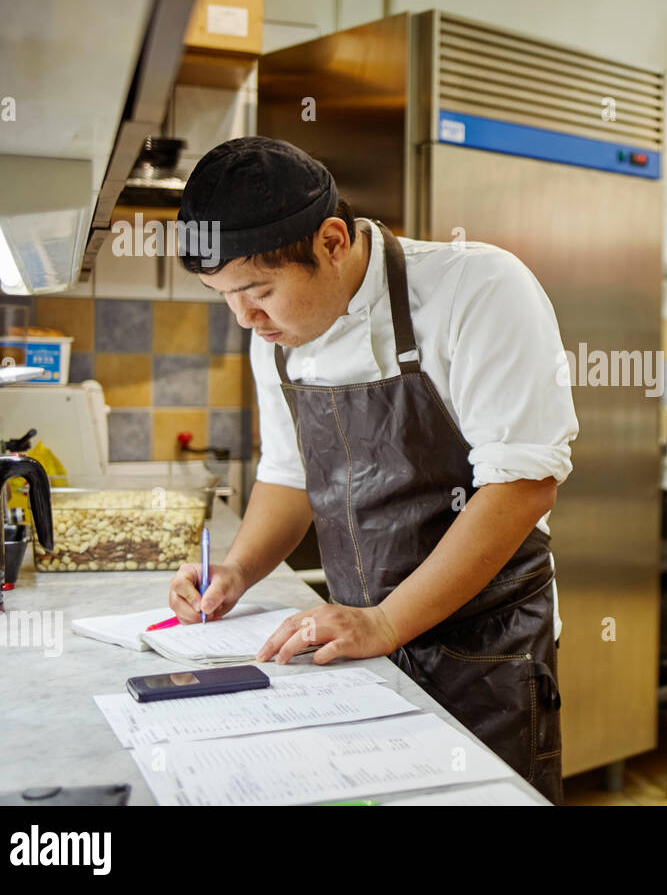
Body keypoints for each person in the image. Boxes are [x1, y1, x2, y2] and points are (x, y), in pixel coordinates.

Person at [167, 137, 578, 803]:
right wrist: (238, 570)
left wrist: (387, 622)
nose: (245, 316)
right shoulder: (274, 334)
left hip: (484, 652)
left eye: (258, 290)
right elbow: (289, 474)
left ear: (332, 241)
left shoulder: (476, 288)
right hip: (357, 641)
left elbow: (522, 485)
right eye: (225, 297)